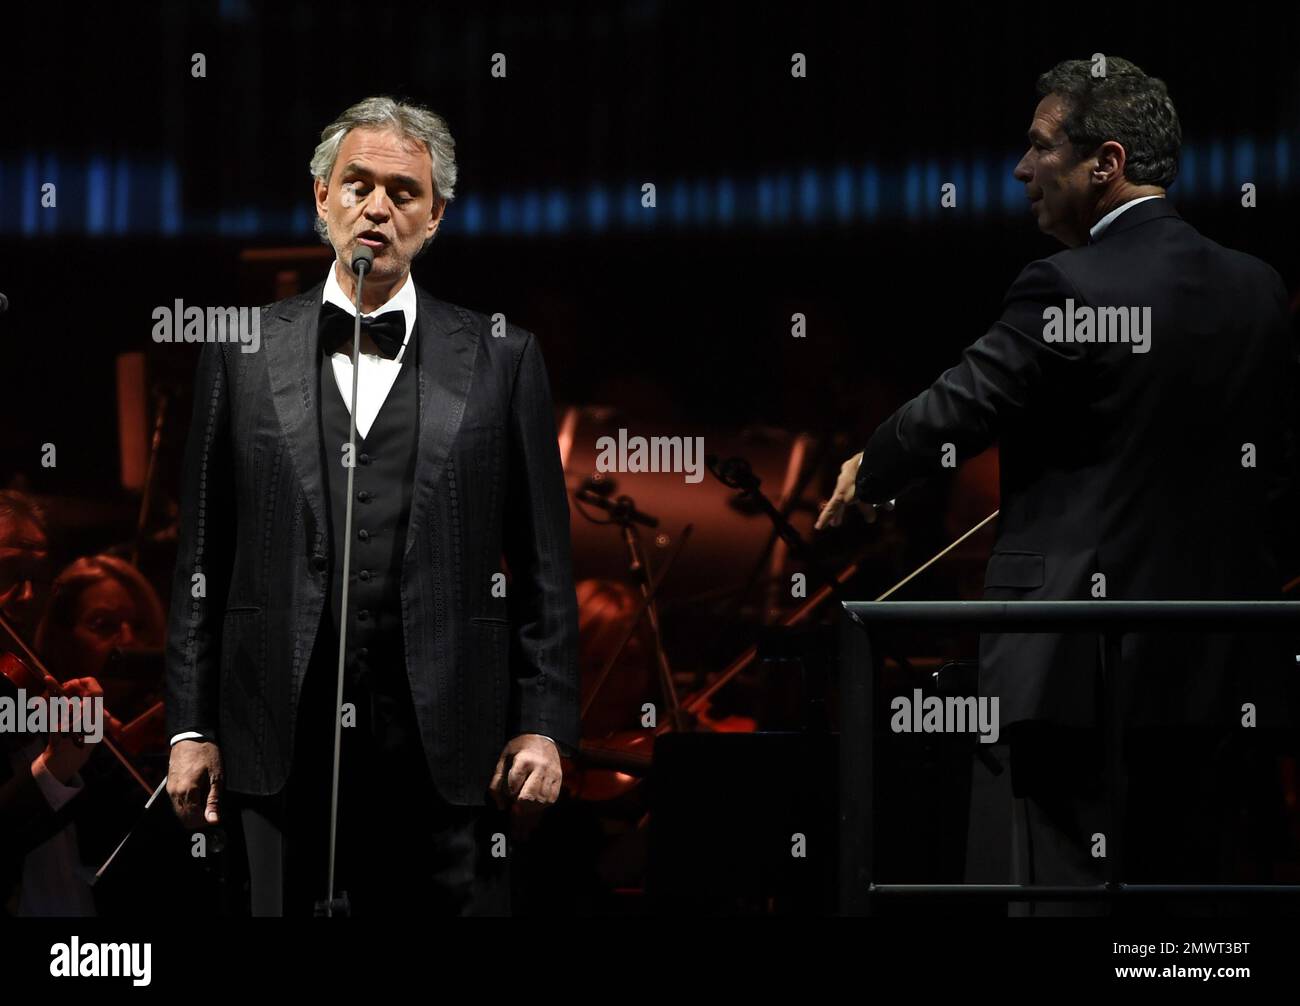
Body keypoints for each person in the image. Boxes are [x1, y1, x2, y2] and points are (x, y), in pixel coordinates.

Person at [816, 57, 1297, 913]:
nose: (1020, 169)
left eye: (1040, 148)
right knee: (1193, 930)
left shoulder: (1068, 285)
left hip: (1075, 682)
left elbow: (954, 412)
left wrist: (871, 465)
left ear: (1104, 164)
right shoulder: (1258, 290)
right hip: (1224, 678)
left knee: (1060, 903)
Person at [164, 96, 580, 916]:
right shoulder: (240, 353)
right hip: (274, 738)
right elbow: (201, 560)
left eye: (403, 191)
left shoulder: (504, 358)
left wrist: (545, 724)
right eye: (357, 184)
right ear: (321, 197)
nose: (377, 208)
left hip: (449, 752)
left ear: (436, 216)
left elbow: (545, 570)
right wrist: (189, 727)